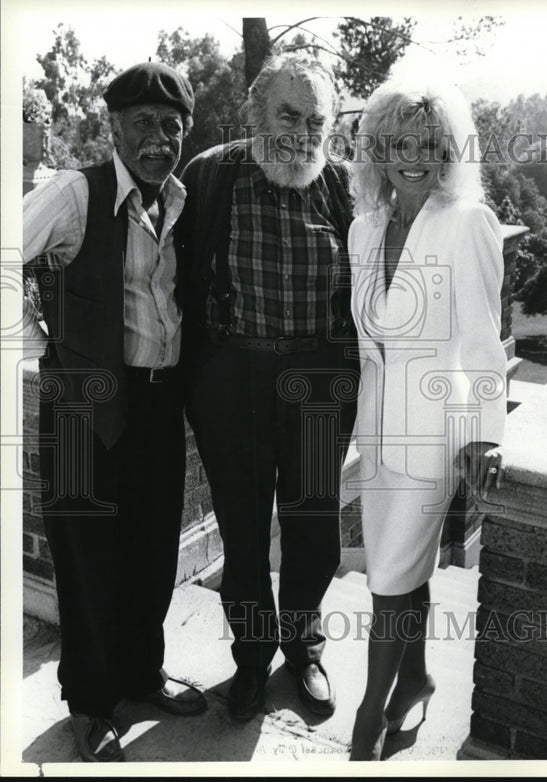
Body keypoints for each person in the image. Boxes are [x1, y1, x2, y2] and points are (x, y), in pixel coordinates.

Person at [22, 62, 207, 763]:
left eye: (172, 126)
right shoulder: (76, 192)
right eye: (143, 125)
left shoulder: (179, 197)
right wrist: (43, 340)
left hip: (157, 398)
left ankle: (140, 671)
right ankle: (91, 703)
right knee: (86, 557)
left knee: (152, 549)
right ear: (113, 128)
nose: (159, 139)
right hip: (78, 403)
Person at [176, 53, 359, 721]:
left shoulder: (341, 187)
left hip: (317, 382)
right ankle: (252, 661)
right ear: (256, 114)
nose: (302, 133)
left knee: (315, 527)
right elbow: (171, 278)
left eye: (317, 121)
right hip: (233, 379)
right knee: (244, 531)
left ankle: (303, 648)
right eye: (288, 115)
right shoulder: (210, 176)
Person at [347, 75, 507, 760]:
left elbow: (482, 338)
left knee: (386, 575)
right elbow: (366, 343)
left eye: (430, 145)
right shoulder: (364, 227)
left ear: (450, 153)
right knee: (402, 567)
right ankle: (413, 678)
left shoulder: (468, 222)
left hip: (436, 426)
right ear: (376, 152)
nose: (414, 157)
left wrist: (484, 432)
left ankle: (367, 718)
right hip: (377, 426)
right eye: (398, 144)